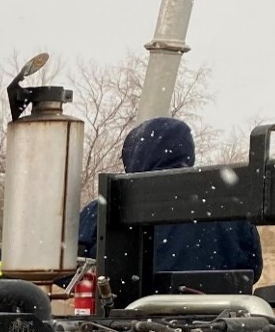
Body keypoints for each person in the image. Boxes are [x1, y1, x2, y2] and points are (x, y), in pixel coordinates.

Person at [77, 117, 262, 282]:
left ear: (135, 155)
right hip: (218, 315)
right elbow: (252, 269)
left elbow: (67, 266)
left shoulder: (109, 204)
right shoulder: (229, 205)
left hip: (127, 314)